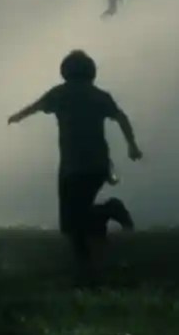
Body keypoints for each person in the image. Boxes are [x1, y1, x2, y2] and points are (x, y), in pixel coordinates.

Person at [7, 50, 142, 281]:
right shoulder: (99, 95)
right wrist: (132, 145)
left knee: (71, 221)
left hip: (72, 165)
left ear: (65, 71)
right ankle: (88, 263)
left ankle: (108, 211)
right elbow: (121, 118)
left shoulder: (61, 94)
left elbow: (37, 106)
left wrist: (17, 117)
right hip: (98, 164)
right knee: (78, 218)